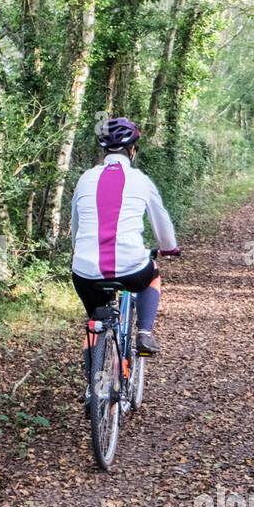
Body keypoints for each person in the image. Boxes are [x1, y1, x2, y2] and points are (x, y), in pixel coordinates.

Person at [70, 116, 180, 357]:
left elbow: (75, 226)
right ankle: (144, 333)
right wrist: (169, 248)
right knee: (152, 273)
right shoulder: (141, 180)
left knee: (95, 322)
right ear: (132, 150)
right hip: (132, 269)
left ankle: (94, 380)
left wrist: (77, 253)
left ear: (104, 150)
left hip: (84, 272)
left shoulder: (85, 179)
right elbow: (161, 223)